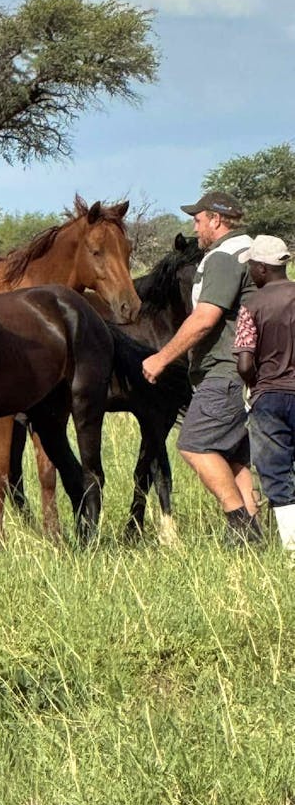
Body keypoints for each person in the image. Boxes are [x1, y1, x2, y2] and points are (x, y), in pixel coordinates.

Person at [141, 191, 260, 544]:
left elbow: (206, 318)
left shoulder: (223, 257)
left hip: (223, 370)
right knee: (234, 454)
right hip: (245, 371)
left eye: (198, 219)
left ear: (216, 220)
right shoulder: (251, 250)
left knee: (194, 444)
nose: (195, 227)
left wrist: (161, 358)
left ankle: (238, 521)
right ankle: (253, 530)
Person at [233, 235, 295, 550]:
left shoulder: (251, 306)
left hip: (268, 395)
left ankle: (291, 548)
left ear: (261, 268)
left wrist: (256, 384)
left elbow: (244, 362)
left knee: (276, 472)